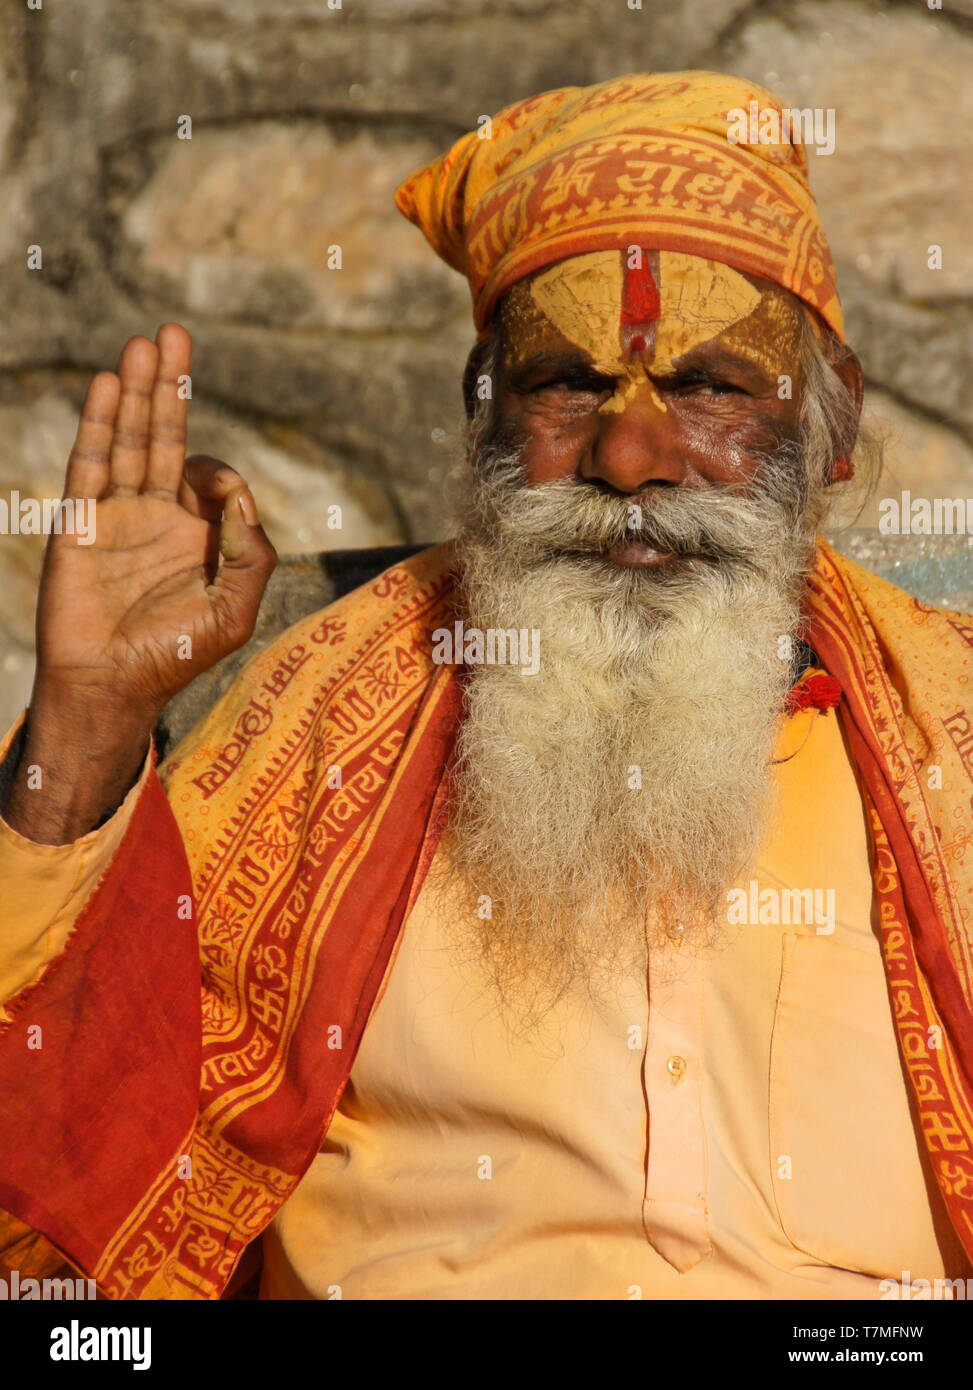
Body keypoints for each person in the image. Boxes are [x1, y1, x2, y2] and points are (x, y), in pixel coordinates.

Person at [1, 71, 971, 1301]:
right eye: (566, 384)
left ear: (831, 431)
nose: (630, 457)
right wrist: (86, 724)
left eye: (710, 386)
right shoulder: (326, 730)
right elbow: (50, 1155)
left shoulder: (952, 748)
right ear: (484, 424)